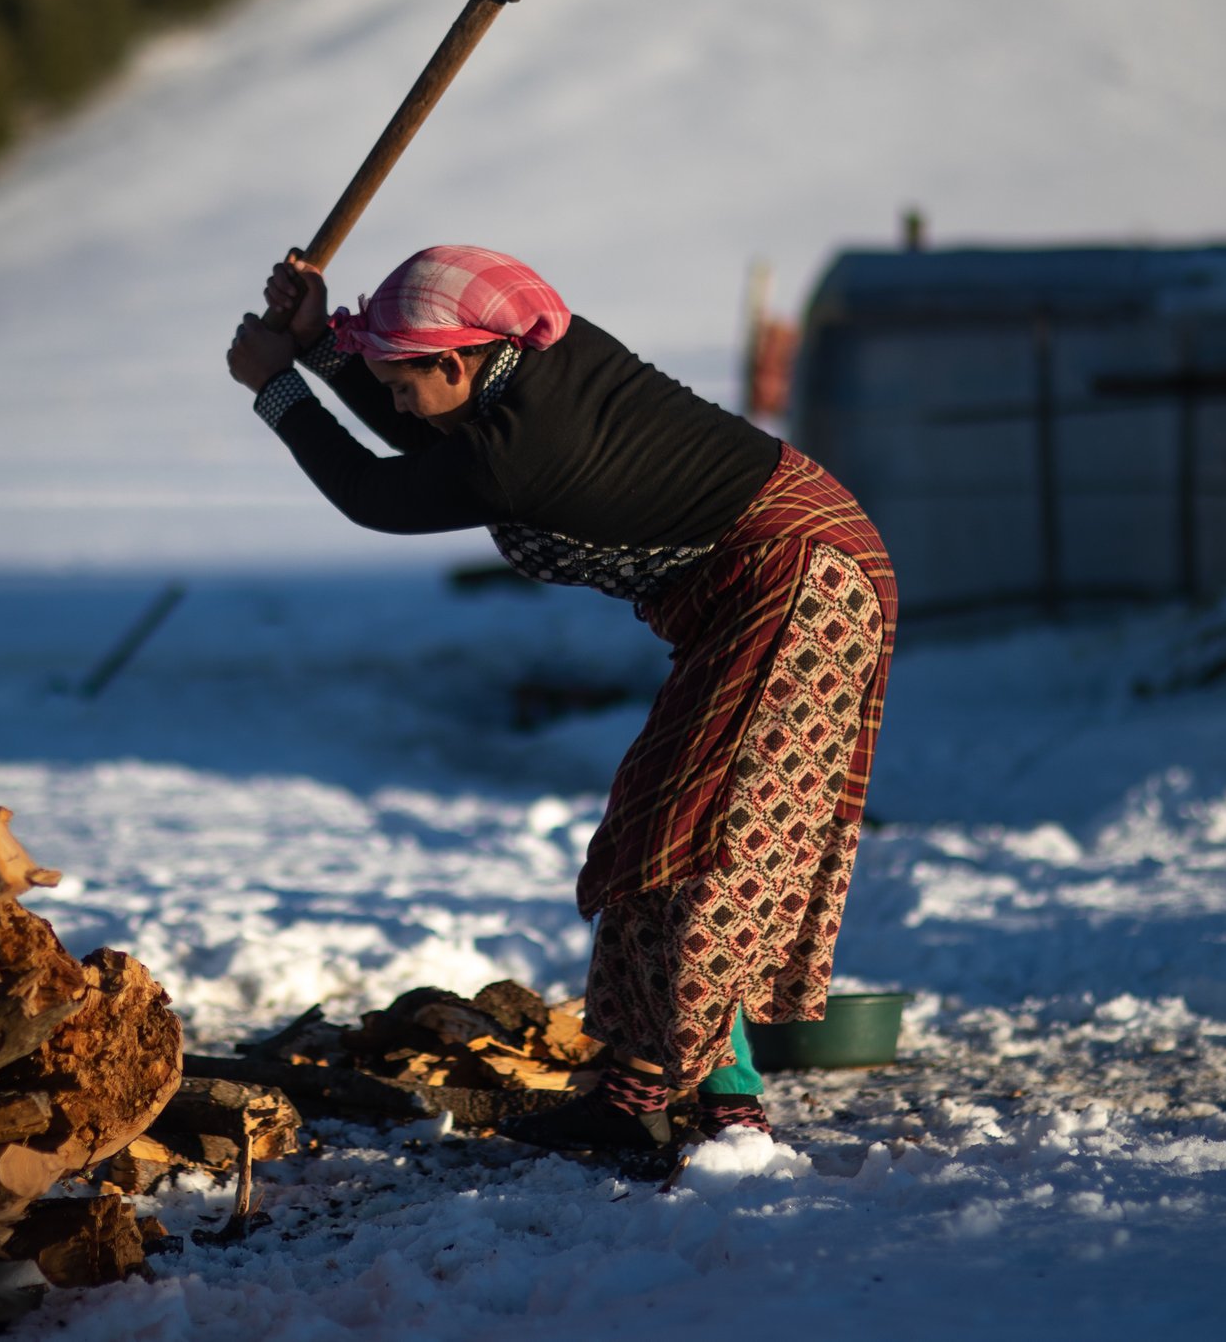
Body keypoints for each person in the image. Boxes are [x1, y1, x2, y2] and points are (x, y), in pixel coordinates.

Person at [226, 244, 895, 1156]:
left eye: (400, 382)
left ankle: (716, 1109)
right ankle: (646, 1098)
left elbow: (380, 491)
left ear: (457, 359)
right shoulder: (525, 363)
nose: (396, 402)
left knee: (700, 838)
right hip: (767, 587)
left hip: (806, 588)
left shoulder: (531, 445)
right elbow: (433, 435)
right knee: (658, 826)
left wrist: (280, 390)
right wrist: (316, 344)